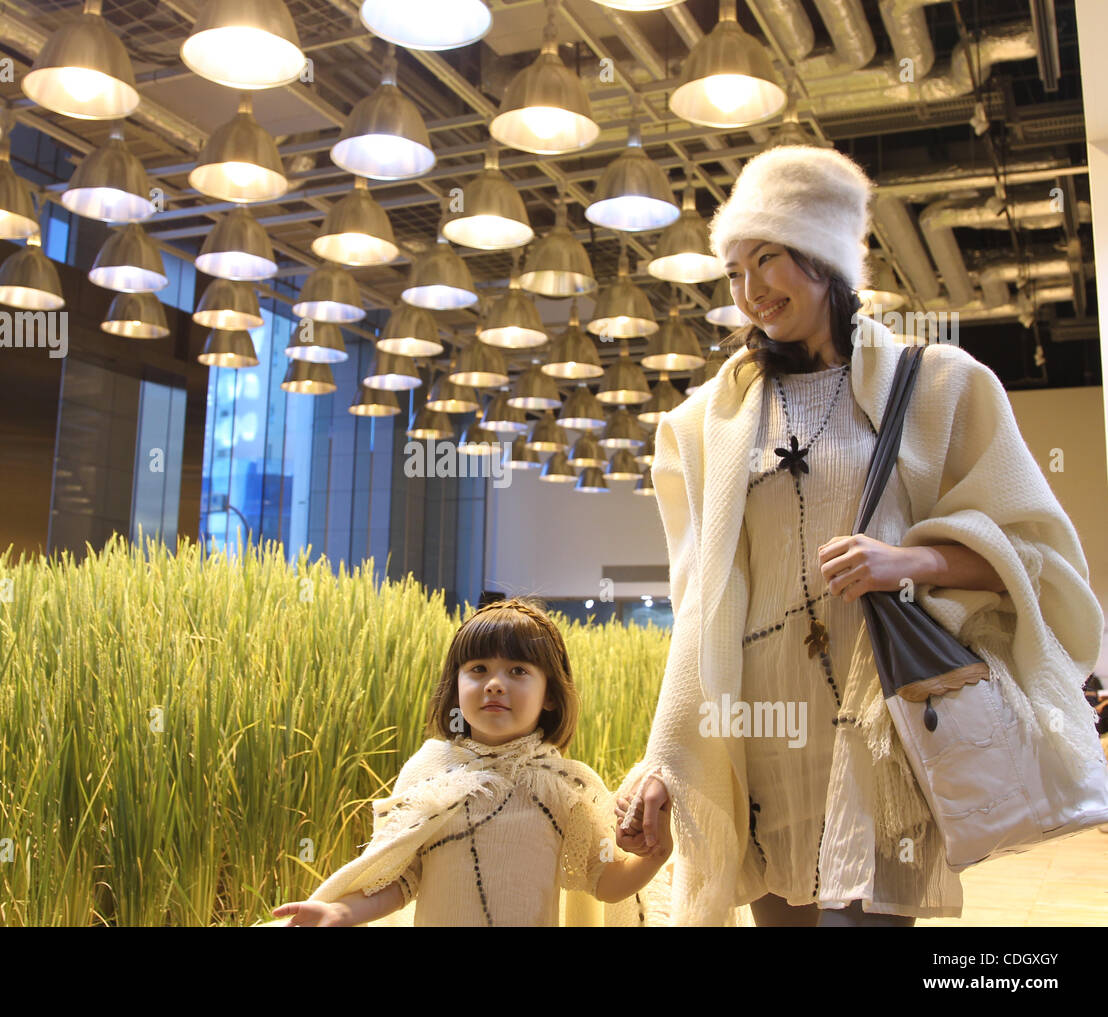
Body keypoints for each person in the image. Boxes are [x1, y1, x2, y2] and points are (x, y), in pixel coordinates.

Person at [614, 145, 1105, 927]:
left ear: (824, 255)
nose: (750, 290)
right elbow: (699, 604)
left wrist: (907, 561)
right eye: (733, 270)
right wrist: (666, 757)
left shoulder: (939, 384)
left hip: (883, 734)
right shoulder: (712, 419)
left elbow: (1037, 556)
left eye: (767, 258)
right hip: (765, 739)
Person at [273, 598, 673, 927]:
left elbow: (605, 882)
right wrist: (341, 910)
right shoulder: (429, 770)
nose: (494, 683)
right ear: (456, 687)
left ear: (550, 695)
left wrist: (654, 853)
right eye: (478, 669)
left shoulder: (564, 786)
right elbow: (400, 878)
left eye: (518, 670)